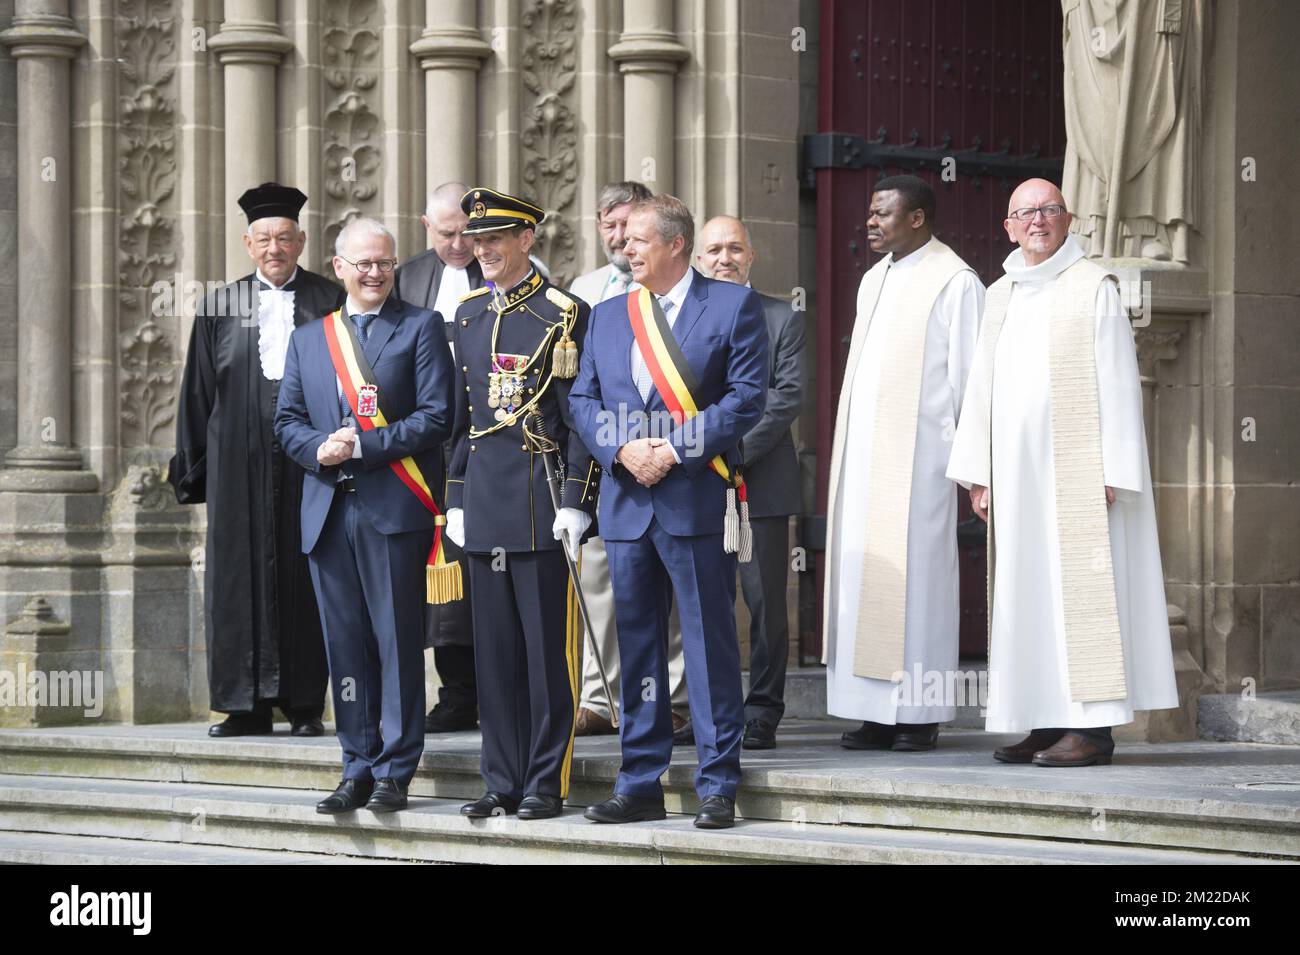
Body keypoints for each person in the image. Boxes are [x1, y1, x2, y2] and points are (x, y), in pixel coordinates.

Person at [947, 178, 1178, 767]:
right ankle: (1045, 721)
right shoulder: (1000, 294)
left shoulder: (1093, 287)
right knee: (1030, 596)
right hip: (1016, 480)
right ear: (1008, 226)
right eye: (1025, 213)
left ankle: (1093, 730)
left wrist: (1111, 469)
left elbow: (1120, 381)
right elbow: (981, 389)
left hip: (1077, 476)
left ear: (1068, 218)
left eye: (1049, 210)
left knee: (1082, 595)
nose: (1037, 221)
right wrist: (979, 473)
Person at [570, 195, 768, 829]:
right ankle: (640, 778)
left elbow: (745, 398)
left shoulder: (732, 305)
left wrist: (674, 449)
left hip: (693, 498)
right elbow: (583, 398)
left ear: (676, 245)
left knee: (709, 647)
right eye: (624, 241)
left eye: (637, 240)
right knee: (638, 648)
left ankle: (717, 782)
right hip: (627, 502)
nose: (626, 249)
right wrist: (623, 448)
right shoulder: (605, 315)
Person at [275, 217, 454, 812]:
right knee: (345, 646)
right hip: (328, 513)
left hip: (393, 510)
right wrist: (317, 449)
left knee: (397, 642)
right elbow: (287, 422)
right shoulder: (309, 339)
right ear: (339, 268)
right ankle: (356, 763)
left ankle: (396, 769)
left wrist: (363, 445)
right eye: (363, 264)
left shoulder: (421, 327)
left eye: (384, 262)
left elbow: (436, 417)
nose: (375, 272)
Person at [169, 182, 344, 738]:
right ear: (248, 243)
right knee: (235, 579)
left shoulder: (328, 299)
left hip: (310, 461)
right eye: (264, 239)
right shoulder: (220, 303)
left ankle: (303, 705)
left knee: (307, 573)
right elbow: (198, 390)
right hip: (235, 465)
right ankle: (242, 704)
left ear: (302, 241)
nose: (275, 248)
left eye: (285, 238)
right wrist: (194, 468)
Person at [446, 188, 598, 821]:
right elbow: (461, 420)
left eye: (495, 241)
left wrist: (575, 499)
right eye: (476, 241)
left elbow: (579, 419)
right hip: (483, 498)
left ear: (525, 241)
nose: (482, 251)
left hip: (539, 498)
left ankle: (544, 781)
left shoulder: (565, 313)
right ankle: (499, 779)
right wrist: (454, 497)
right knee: (496, 653)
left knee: (544, 656)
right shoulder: (467, 314)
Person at [822, 175, 985, 753]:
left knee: (918, 582)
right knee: (865, 578)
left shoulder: (956, 281)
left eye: (882, 213)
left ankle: (918, 713)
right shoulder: (874, 279)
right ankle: (873, 712)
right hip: (866, 460)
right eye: (869, 212)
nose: (870, 222)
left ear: (917, 218)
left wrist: (975, 469)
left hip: (921, 464)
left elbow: (972, 380)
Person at [569, 180, 690, 741]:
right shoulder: (585, 291)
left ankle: (677, 697)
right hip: (604, 460)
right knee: (602, 584)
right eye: (610, 225)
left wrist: (659, 449)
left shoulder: (696, 297)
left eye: (631, 228)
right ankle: (600, 695)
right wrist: (619, 448)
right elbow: (579, 390)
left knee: (668, 597)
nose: (620, 238)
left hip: (676, 464)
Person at [695, 214, 805, 751]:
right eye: (714, 249)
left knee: (764, 603)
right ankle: (710, 709)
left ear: (751, 256)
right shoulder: (682, 318)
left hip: (758, 484)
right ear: (696, 259)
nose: (725, 258)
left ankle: (762, 709)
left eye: (735, 248)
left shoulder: (783, 316)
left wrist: (724, 450)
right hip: (691, 484)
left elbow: (786, 396)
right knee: (702, 599)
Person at [395, 181, 486, 734]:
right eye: (447, 233)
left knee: (485, 567)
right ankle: (454, 693)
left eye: (467, 233)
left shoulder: (505, 271)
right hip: (423, 448)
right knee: (438, 576)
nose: (459, 245)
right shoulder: (404, 279)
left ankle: (497, 687)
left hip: (488, 443)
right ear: (426, 226)